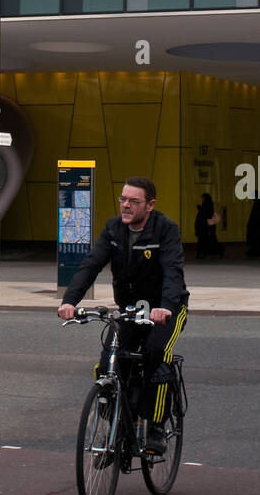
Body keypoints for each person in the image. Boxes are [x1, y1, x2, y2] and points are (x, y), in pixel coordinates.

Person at [57, 177, 188, 456]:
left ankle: (154, 426)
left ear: (150, 205)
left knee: (156, 355)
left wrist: (165, 306)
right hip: (130, 310)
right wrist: (70, 301)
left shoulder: (165, 230)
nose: (126, 205)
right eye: (123, 199)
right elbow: (91, 264)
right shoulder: (114, 229)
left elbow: (172, 273)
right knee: (109, 362)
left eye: (133, 201)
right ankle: (118, 423)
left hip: (166, 309)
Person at [195, 192, 225, 258]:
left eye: (203, 198)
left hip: (206, 227)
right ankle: (204, 253)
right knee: (208, 240)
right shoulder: (209, 205)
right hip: (207, 227)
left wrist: (200, 209)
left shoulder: (207, 205)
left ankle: (203, 253)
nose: (202, 199)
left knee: (205, 240)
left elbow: (208, 215)